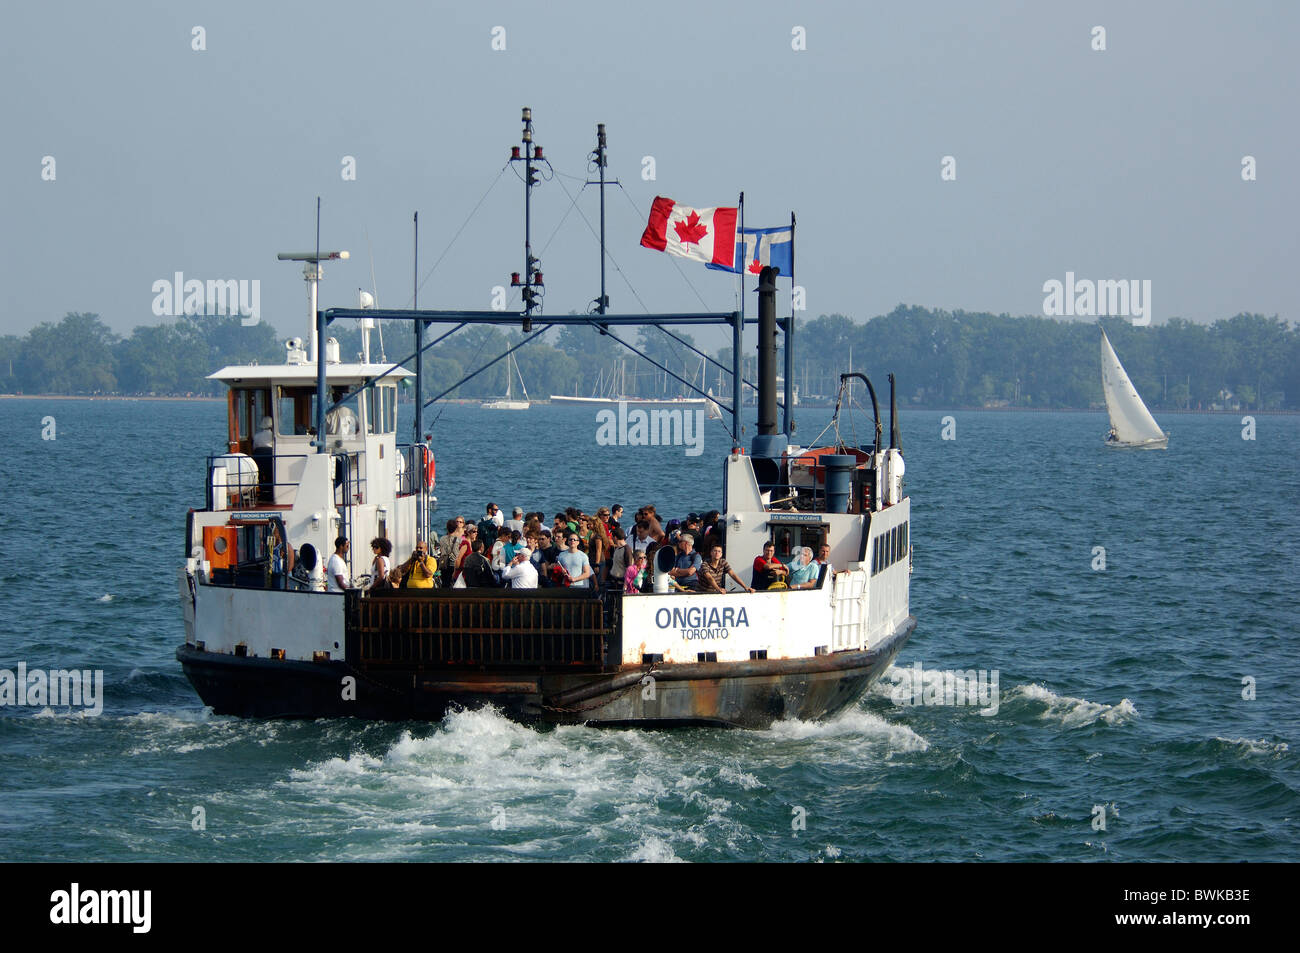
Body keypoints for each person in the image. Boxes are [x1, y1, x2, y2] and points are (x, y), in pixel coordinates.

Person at [269, 522, 294, 589]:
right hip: (273, 576)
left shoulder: (286, 546)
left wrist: (286, 579)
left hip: (282, 577)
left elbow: (291, 564)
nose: (272, 534)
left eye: (274, 532)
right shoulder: (271, 546)